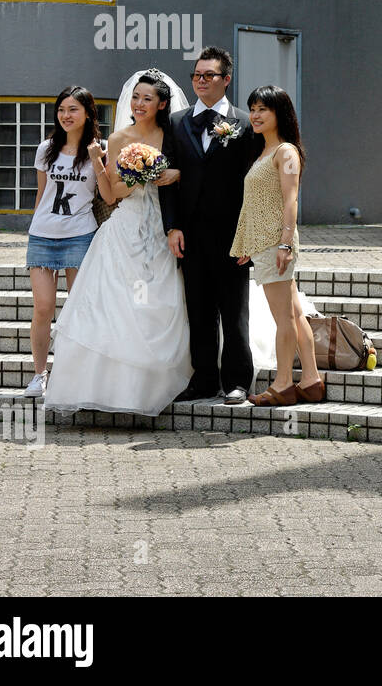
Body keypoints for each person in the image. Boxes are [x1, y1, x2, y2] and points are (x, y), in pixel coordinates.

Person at [44, 70, 193, 415]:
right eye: (136, 97)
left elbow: (186, 175)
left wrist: (172, 173)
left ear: (162, 104)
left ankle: (152, 385)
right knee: (115, 303)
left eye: (147, 99)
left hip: (162, 227)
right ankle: (107, 390)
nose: (139, 104)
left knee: (156, 300)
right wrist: (132, 174)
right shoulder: (119, 138)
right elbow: (110, 195)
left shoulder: (173, 135)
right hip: (124, 226)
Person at [162, 47, 258, 405]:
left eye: (209, 75)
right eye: (196, 75)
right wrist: (172, 226)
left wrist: (251, 234)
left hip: (233, 235)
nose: (201, 81)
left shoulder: (245, 124)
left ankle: (236, 382)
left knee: (234, 313)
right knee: (198, 311)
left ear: (226, 79)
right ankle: (203, 380)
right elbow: (167, 179)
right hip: (190, 233)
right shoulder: (176, 122)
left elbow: (254, 183)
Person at [227, 86, 326, 407]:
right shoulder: (264, 152)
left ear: (278, 113)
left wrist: (284, 243)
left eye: (262, 109)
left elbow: (290, 199)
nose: (254, 115)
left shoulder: (285, 152)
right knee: (295, 314)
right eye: (252, 109)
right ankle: (310, 380)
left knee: (282, 317)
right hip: (266, 243)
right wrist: (245, 243)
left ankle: (283, 384)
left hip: (276, 243)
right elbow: (254, 204)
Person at [23, 87, 107, 398]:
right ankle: (39, 375)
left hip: (80, 234)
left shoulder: (100, 149)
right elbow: (41, 194)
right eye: (61, 109)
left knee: (78, 307)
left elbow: (108, 195)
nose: (66, 115)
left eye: (73, 109)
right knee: (43, 308)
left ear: (87, 113)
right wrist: (35, 228)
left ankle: (75, 374)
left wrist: (99, 161)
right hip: (44, 235)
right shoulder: (46, 149)